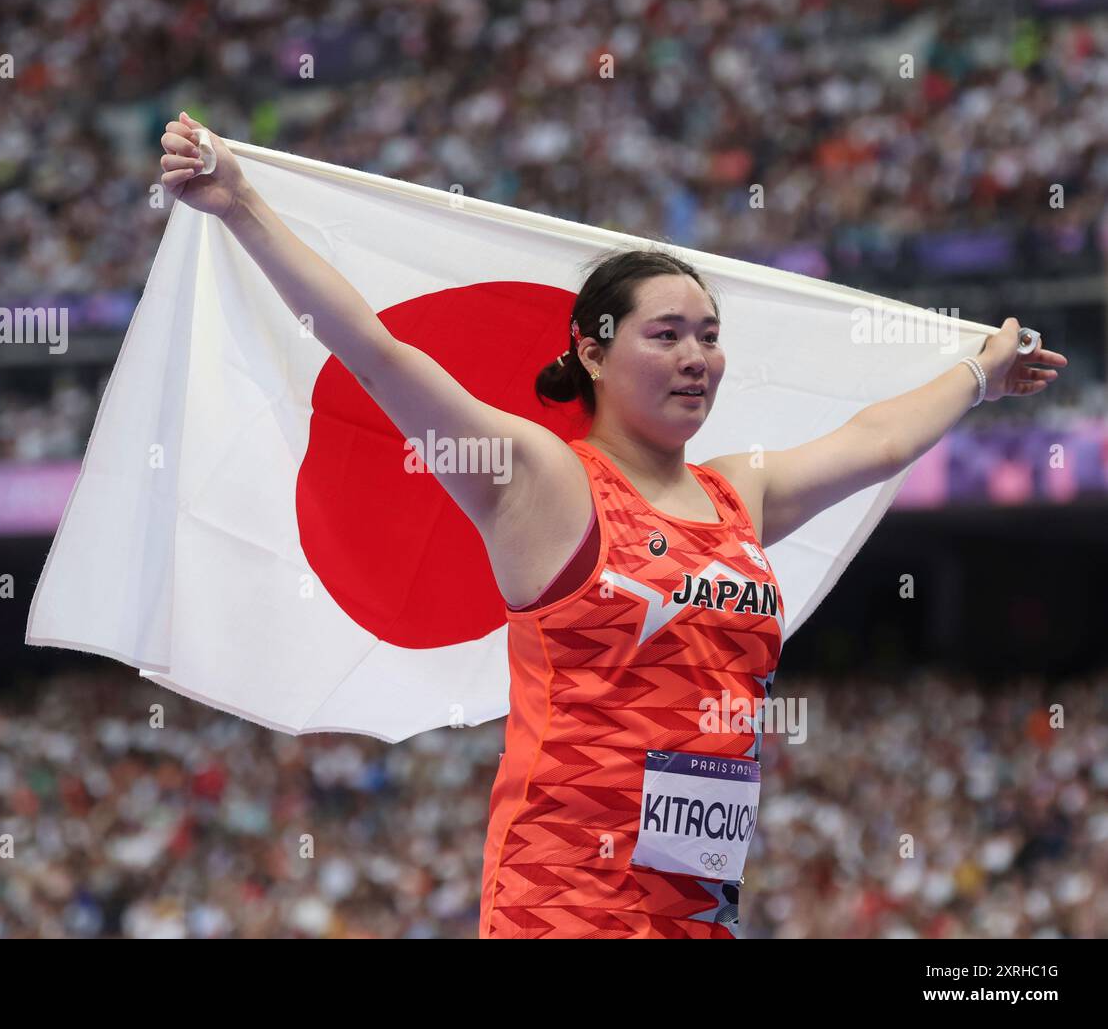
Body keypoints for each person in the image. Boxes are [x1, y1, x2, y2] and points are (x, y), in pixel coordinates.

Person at [158, 111, 1071, 939]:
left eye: (709, 335)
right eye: (666, 334)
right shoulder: (544, 482)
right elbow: (377, 351)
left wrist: (979, 378)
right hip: (562, 904)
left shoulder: (736, 494)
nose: (697, 357)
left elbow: (874, 440)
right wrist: (240, 208)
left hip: (698, 910)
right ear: (592, 351)